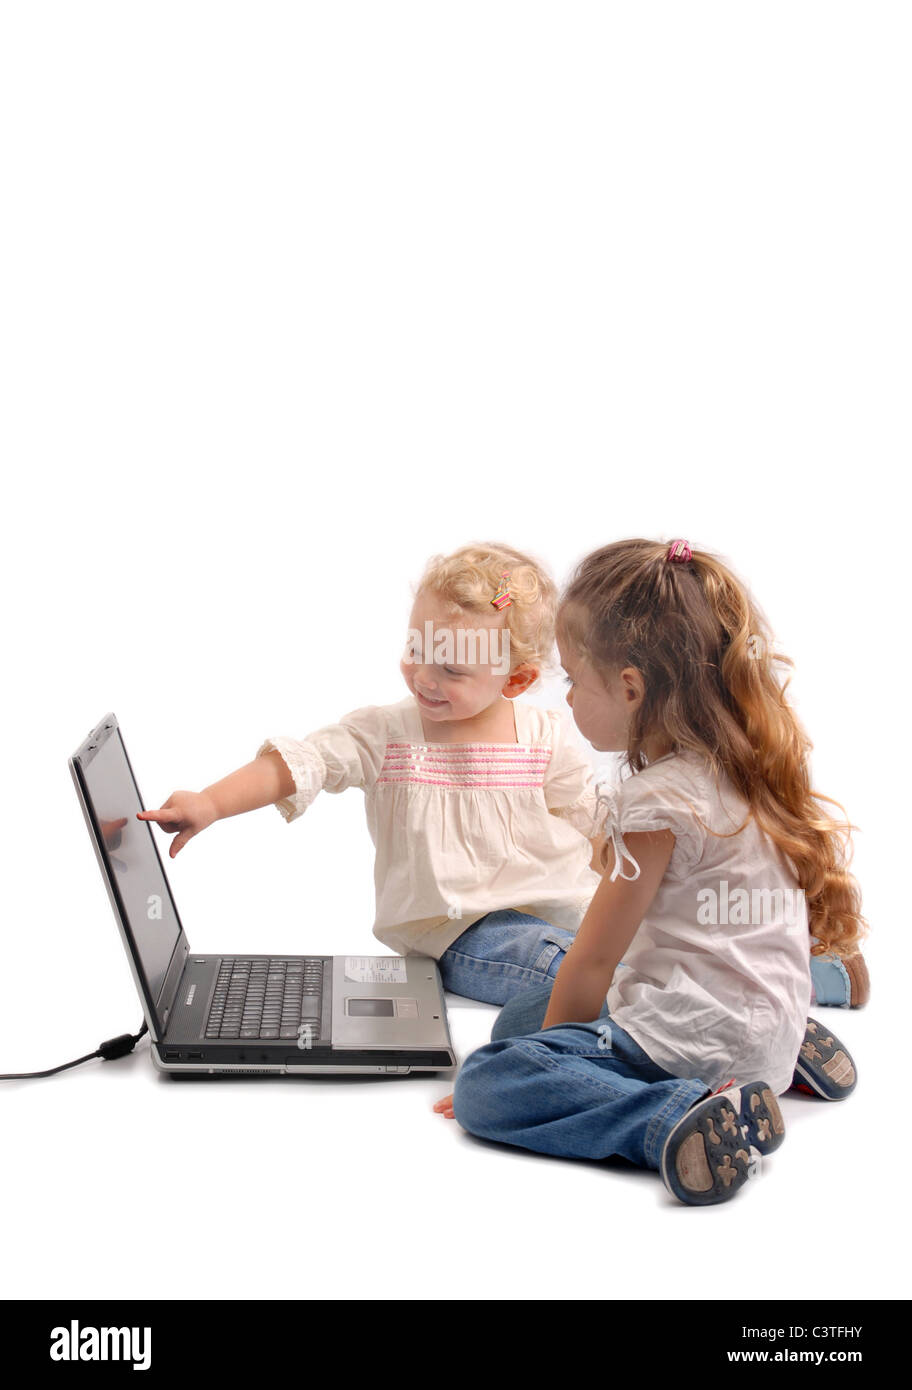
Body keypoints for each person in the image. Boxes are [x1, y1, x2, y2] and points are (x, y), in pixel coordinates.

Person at [435, 539, 867, 1205]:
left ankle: (677, 1119)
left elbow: (591, 962)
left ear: (631, 688)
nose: (568, 699)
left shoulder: (655, 804)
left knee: (488, 1080)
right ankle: (777, 1057)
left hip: (693, 1037)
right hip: (761, 1021)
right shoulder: (746, 766)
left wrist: (541, 1074)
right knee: (518, 1018)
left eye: (574, 681)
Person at [138, 543, 604, 1000]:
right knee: (567, 969)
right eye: (417, 648)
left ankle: (626, 1007)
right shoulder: (387, 736)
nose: (424, 676)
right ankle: (621, 1005)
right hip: (459, 932)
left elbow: (596, 828)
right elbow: (304, 763)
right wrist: (210, 803)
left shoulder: (544, 737)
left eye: (451, 669)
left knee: (625, 952)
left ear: (516, 679)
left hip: (563, 911)